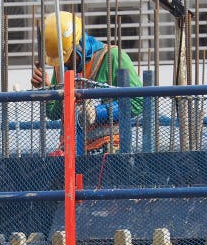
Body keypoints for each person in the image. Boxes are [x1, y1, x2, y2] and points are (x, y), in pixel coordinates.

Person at [31, 11, 143, 154]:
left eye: (67, 57)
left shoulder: (112, 57)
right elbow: (54, 114)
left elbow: (138, 101)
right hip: (71, 153)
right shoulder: (61, 65)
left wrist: (97, 113)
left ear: (78, 44)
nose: (64, 62)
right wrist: (47, 90)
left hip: (108, 152)